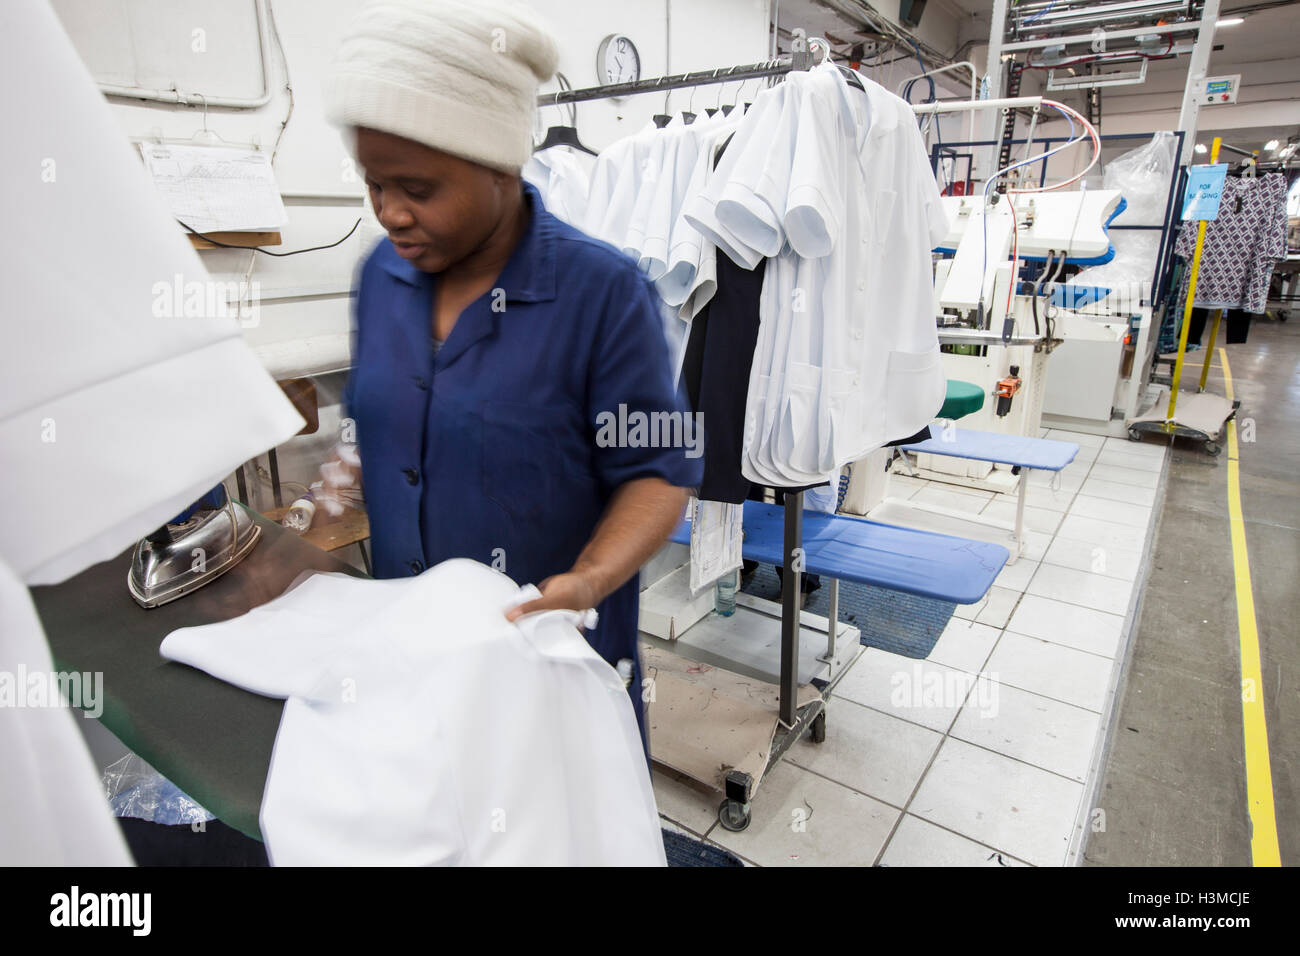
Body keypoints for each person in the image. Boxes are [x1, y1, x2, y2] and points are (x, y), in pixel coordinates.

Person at [321, 0, 702, 749]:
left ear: (499, 163)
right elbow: (379, 426)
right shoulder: (380, 278)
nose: (390, 213)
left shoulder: (603, 293)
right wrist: (335, 483)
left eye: (418, 189)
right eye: (374, 184)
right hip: (415, 650)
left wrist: (590, 580)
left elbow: (660, 471)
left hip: (550, 665)